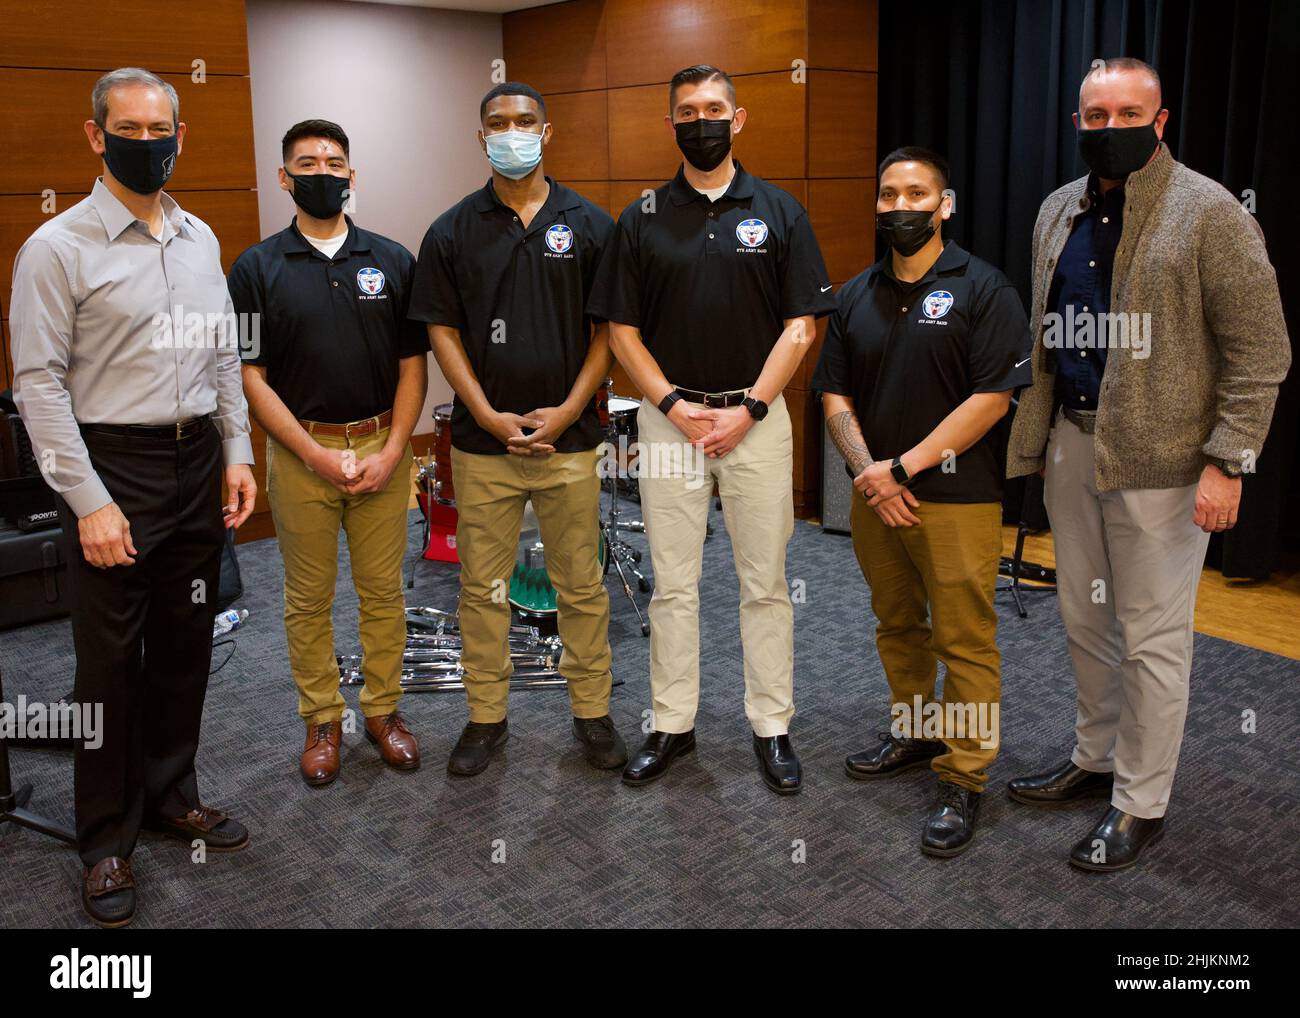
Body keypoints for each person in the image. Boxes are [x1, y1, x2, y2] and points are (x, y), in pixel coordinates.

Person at [1005, 57, 1291, 871]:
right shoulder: (1057, 208)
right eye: (1096, 116)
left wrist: (1228, 462)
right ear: (1078, 124)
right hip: (1072, 440)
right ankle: (1095, 760)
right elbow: (1045, 329)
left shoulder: (1210, 213)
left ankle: (1141, 802)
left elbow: (1261, 351)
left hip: (1166, 464)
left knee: (1152, 638)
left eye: (1130, 114)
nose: (1111, 129)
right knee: (1086, 621)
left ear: (1161, 122)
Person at [10, 67, 257, 927]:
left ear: (181, 137)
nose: (147, 142)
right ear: (95, 134)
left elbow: (225, 356)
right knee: (108, 668)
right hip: (113, 467)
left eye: (162, 128)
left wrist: (237, 449)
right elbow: (37, 388)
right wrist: (89, 502)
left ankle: (168, 795)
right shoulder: (56, 247)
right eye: (130, 127)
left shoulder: (198, 237)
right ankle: (105, 839)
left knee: (187, 645)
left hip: (197, 464)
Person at [587, 65, 836, 794]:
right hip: (670, 424)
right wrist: (670, 405)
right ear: (670, 125)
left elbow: (802, 326)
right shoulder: (641, 218)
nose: (702, 121)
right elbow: (620, 329)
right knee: (674, 586)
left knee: (765, 584)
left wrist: (751, 408)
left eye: (714, 109)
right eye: (688, 111)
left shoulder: (781, 211)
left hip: (758, 421)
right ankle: (672, 724)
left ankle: (771, 725)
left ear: (740, 118)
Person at [814, 146, 1032, 856]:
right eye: (888, 194)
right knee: (897, 624)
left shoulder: (984, 288)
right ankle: (914, 729)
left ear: (945, 206)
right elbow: (834, 393)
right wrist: (867, 473)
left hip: (955, 499)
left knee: (964, 639)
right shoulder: (853, 295)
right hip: (876, 499)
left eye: (916, 193)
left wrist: (900, 470)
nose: (900, 206)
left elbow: (993, 400)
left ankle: (965, 776)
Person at [410, 82, 627, 776]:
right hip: (483, 446)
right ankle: (485, 718)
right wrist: (480, 411)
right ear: (481, 138)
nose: (512, 132)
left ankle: (592, 714)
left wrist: (566, 411)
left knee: (581, 587)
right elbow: (440, 331)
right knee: (483, 590)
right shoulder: (450, 230)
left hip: (569, 442)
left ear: (546, 130)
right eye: (498, 124)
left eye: (524, 121)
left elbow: (609, 332)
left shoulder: (591, 224)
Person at [229, 119, 428, 787]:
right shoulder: (256, 268)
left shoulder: (392, 259)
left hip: (382, 448)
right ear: (284, 178)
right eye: (308, 162)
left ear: (352, 175)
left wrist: (396, 447)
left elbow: (411, 367)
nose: (324, 171)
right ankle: (321, 716)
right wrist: (313, 456)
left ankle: (383, 712)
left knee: (383, 595)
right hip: (300, 454)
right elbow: (250, 376)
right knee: (308, 599)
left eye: (335, 161)